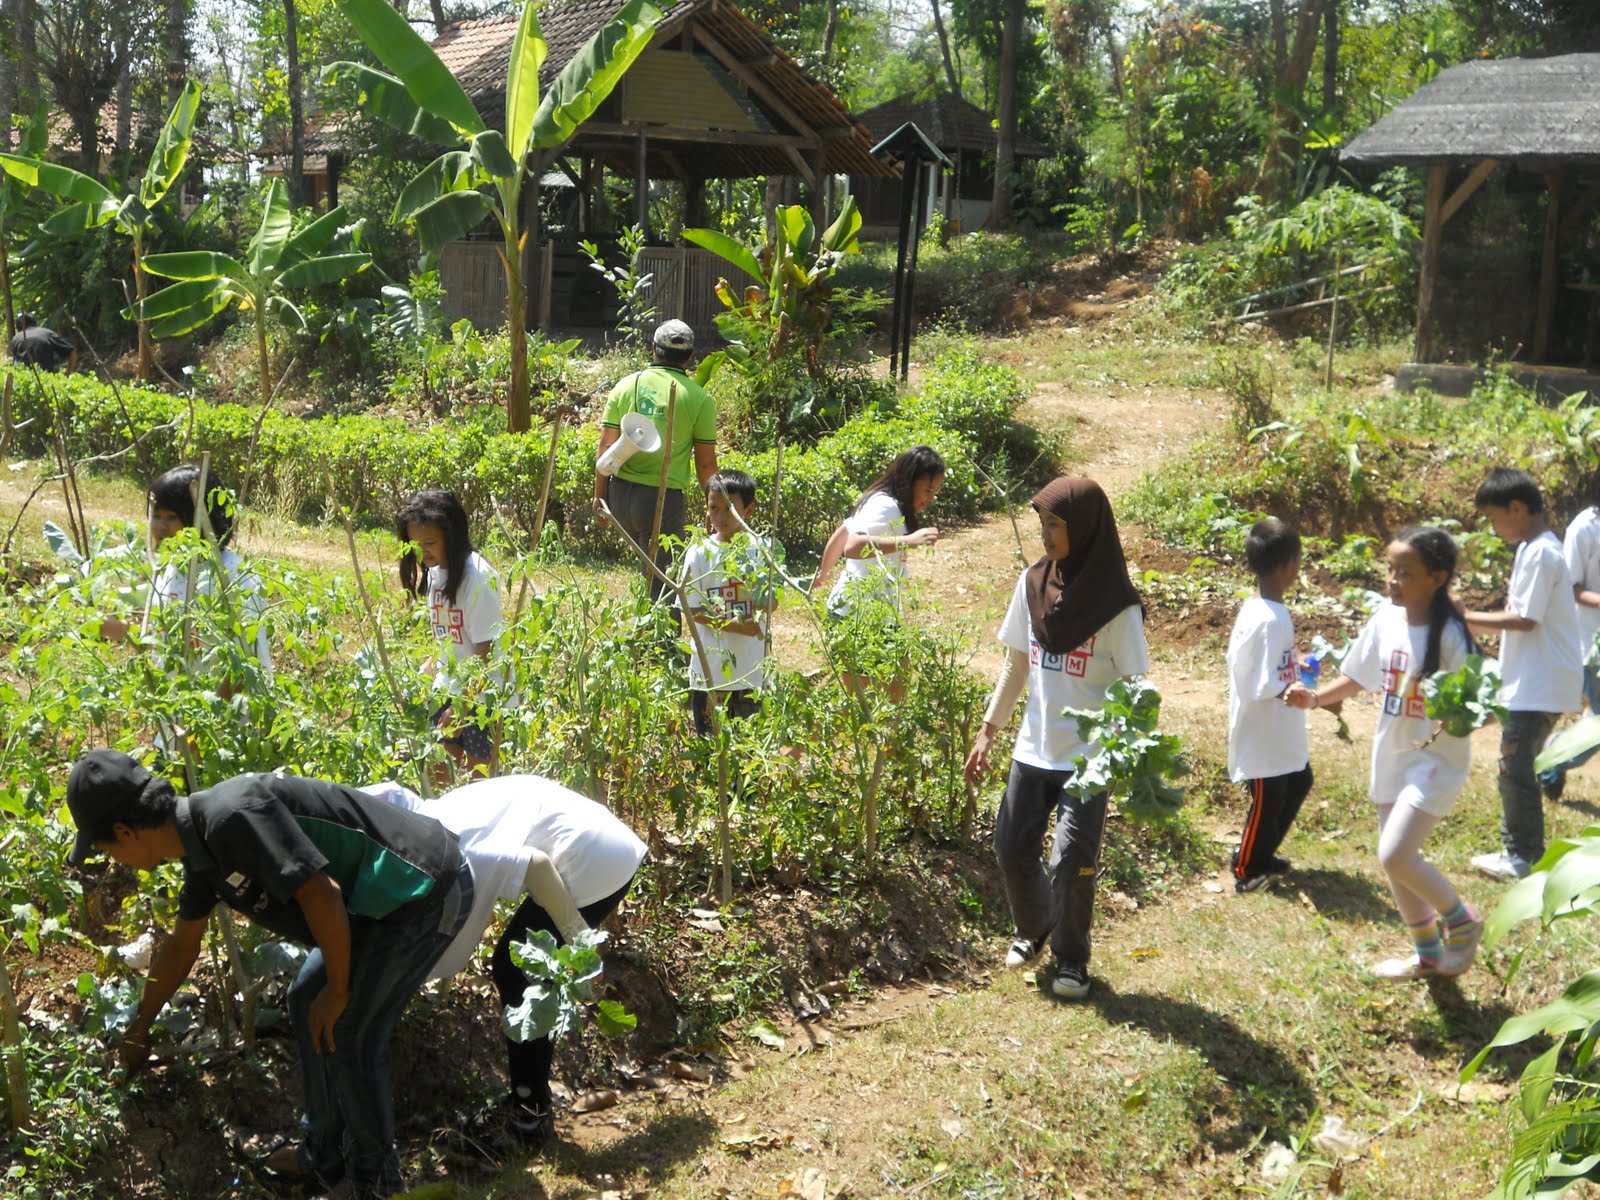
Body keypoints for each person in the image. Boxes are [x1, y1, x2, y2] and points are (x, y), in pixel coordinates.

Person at [65, 750, 473, 1199]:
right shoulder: (201, 851)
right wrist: (139, 1029)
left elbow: (322, 894)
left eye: (105, 849)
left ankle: (374, 1185)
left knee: (350, 1030)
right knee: (306, 1000)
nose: (112, 859)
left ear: (126, 832)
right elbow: (182, 947)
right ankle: (323, 1153)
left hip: (422, 888)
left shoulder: (230, 818)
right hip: (376, 906)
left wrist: (339, 990)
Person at [358, 776, 646, 1147]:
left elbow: (537, 865)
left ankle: (529, 1117)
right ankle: (529, 1106)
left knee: (517, 972)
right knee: (519, 967)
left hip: (592, 857)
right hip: (601, 841)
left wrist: (580, 947)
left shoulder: (452, 837)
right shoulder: (441, 810)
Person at [963, 476, 1148, 1001]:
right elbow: (1017, 664)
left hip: (1088, 756)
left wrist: (1126, 747)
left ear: (1085, 529)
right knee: (1010, 846)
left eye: (1056, 526)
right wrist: (988, 731)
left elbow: (1135, 686)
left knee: (1072, 863)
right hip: (1034, 747)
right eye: (1042, 524)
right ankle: (1035, 925)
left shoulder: (1117, 607)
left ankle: (1072, 961)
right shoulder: (1031, 585)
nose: (1045, 535)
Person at [1292, 528, 1484, 980]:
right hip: (1393, 756)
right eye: (1391, 569)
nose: (1393, 580)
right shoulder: (1385, 620)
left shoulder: (1452, 635)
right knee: (1397, 865)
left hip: (1435, 763)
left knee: (1396, 854)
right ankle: (1428, 956)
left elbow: (1479, 702)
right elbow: (1361, 676)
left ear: (1438, 577)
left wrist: (1461, 715)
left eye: (1406, 573)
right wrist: (1315, 699)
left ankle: (1461, 921)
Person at [1464, 468, 1583, 880]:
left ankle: (1523, 856)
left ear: (1516, 508)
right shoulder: (1531, 550)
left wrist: (1464, 617)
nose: (1493, 527)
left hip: (1541, 683)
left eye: (1494, 518)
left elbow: (1525, 620)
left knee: (1515, 767)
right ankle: (1518, 851)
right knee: (1516, 766)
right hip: (1535, 681)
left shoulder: (1542, 553)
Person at [100, 463, 273, 684]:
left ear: (200, 519)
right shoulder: (170, 568)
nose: (161, 527)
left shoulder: (231, 577)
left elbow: (247, 665)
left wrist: (210, 705)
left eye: (172, 517)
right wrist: (113, 629)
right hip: (176, 702)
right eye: (156, 516)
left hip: (216, 704)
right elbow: (163, 639)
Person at [592, 319, 718, 599]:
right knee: (664, 591)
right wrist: (714, 506)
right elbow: (706, 465)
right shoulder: (699, 399)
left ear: (653, 349)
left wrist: (599, 495)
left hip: (619, 498)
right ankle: (658, 629)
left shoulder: (626, 385)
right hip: (661, 503)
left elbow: (606, 445)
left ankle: (642, 625)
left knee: (649, 581)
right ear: (690, 357)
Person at [1226, 517, 1312, 893]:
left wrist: (1296, 663)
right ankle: (1246, 867)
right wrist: (1289, 688)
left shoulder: (1263, 609)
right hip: (1263, 731)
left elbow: (1266, 663)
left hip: (1277, 730)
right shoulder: (1270, 619)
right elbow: (1259, 682)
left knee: (1299, 780)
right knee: (1268, 798)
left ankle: (1262, 853)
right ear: (1288, 564)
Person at [397, 490, 502, 783]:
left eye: (430, 544)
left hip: (481, 699)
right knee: (438, 774)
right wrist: (424, 673)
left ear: (451, 537)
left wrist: (462, 706)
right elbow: (448, 640)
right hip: (447, 690)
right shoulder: (436, 571)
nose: (422, 553)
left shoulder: (478, 579)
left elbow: (487, 655)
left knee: (480, 783)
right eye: (415, 545)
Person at [680, 468, 781, 735]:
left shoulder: (762, 550)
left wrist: (756, 601)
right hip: (710, 672)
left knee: (749, 744)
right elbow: (692, 609)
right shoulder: (699, 553)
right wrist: (735, 625)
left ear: (749, 510)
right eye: (714, 508)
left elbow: (772, 602)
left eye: (730, 509)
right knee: (710, 746)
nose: (720, 517)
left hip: (751, 671)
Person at [813, 445, 944, 618]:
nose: (931, 499)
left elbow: (844, 531)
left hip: (865, 614)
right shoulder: (886, 506)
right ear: (909, 481)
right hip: (855, 617)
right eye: (928, 490)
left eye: (935, 491)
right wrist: (909, 541)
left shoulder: (882, 501)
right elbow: (852, 546)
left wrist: (824, 574)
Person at [1537, 495, 1600, 800]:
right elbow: (1570, 586)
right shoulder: (1585, 528)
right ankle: (1556, 757)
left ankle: (1557, 755)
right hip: (1592, 641)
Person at [10, 310, 77, 371]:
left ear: (18, 327)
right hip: (46, 375)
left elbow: (15, 361)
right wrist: (69, 373)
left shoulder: (15, 338)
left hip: (23, 375)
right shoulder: (47, 333)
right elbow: (71, 351)